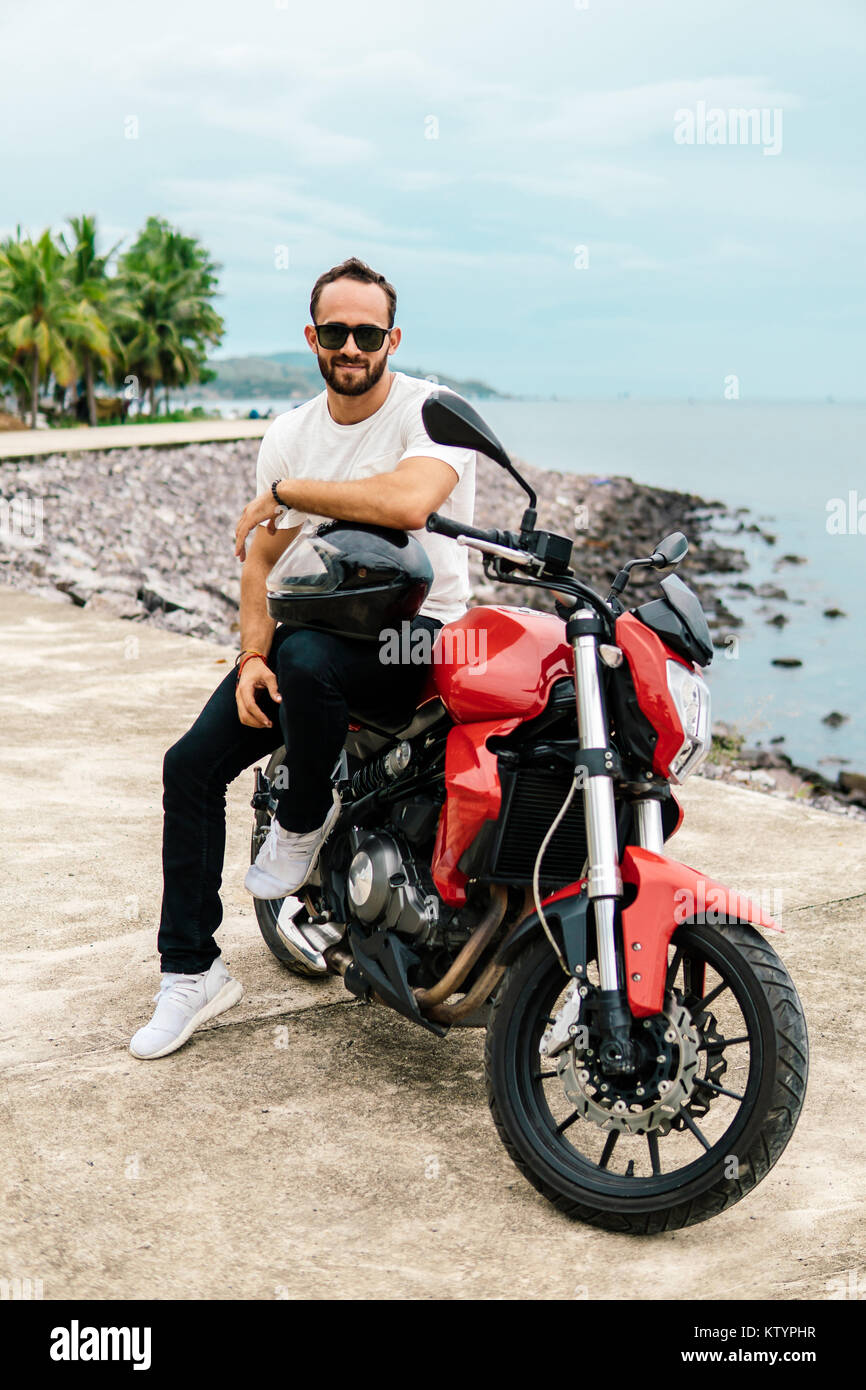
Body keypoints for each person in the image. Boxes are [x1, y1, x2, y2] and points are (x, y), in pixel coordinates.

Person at [130, 257, 477, 1059]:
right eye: (334, 332)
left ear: (391, 338)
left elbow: (407, 502)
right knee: (190, 767)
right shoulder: (287, 433)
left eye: (365, 332)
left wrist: (291, 493)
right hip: (308, 637)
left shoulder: (430, 412)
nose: (349, 346)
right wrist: (253, 656)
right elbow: (259, 563)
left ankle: (303, 815)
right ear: (312, 337)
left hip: (417, 639)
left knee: (312, 655)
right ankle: (191, 971)